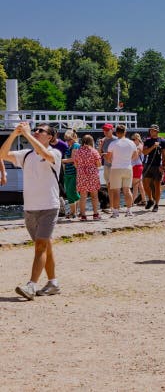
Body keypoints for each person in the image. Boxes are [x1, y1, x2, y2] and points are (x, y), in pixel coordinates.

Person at [0, 123, 62, 300]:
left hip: (49, 206)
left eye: (40, 131)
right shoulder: (25, 155)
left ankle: (31, 286)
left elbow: (44, 154)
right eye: (35, 129)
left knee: (40, 245)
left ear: (50, 136)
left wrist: (27, 135)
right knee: (46, 246)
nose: (36, 132)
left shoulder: (55, 153)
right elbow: (2, 155)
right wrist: (14, 134)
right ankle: (53, 283)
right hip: (30, 208)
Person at [107, 124, 137, 218]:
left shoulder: (113, 143)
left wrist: (111, 160)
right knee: (127, 190)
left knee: (116, 191)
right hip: (128, 167)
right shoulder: (131, 143)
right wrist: (128, 160)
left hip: (116, 168)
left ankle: (116, 212)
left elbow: (108, 157)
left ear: (116, 132)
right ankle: (129, 211)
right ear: (125, 132)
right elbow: (135, 155)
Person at [72, 134, 102, 220]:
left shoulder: (78, 151)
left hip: (82, 174)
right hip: (92, 174)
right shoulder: (94, 151)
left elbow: (75, 164)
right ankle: (95, 214)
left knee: (83, 196)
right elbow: (99, 164)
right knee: (94, 195)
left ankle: (83, 215)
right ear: (91, 142)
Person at [61, 129, 81, 218]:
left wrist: (60, 160)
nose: (67, 141)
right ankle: (73, 212)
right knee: (69, 193)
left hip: (74, 172)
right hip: (68, 172)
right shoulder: (70, 146)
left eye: (69, 139)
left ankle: (78, 210)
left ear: (74, 138)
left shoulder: (76, 145)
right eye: (66, 140)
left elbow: (73, 159)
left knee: (71, 192)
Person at [98, 123, 116, 200]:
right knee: (108, 185)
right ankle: (111, 203)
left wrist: (106, 154)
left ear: (112, 130)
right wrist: (100, 145)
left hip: (114, 165)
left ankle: (115, 204)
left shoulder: (116, 140)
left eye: (107, 130)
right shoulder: (103, 140)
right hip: (106, 165)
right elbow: (98, 154)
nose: (105, 132)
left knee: (115, 186)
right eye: (104, 130)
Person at [131, 133, 146, 206]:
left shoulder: (139, 147)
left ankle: (132, 202)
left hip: (136, 166)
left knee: (135, 185)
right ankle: (144, 200)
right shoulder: (139, 145)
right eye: (132, 139)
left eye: (133, 139)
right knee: (140, 185)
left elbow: (135, 156)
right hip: (138, 166)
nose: (132, 141)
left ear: (137, 139)